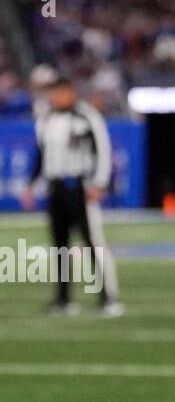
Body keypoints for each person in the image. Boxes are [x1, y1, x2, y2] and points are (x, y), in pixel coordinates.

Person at [22, 75, 122, 316]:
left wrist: (99, 183)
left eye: (60, 92)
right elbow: (40, 153)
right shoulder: (46, 118)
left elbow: (103, 151)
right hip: (55, 187)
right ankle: (63, 299)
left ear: (71, 92)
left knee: (92, 243)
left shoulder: (86, 116)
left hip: (79, 187)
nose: (56, 97)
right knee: (60, 246)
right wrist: (30, 184)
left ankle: (108, 297)